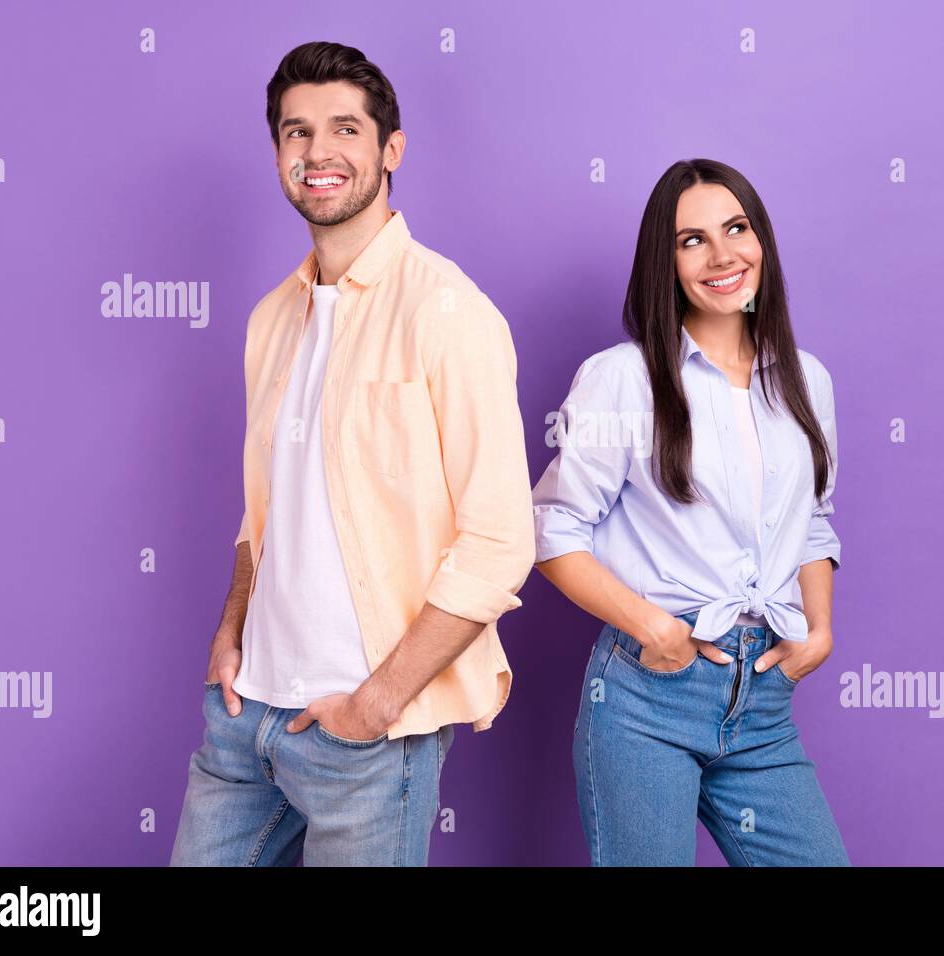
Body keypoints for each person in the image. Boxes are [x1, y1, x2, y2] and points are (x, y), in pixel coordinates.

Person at [170, 41, 535, 866]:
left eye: (344, 128)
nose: (318, 152)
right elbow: (266, 505)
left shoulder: (449, 312)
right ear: (277, 155)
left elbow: (499, 543)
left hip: (365, 733)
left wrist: (378, 705)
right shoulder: (271, 319)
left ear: (390, 150)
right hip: (243, 716)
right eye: (296, 133)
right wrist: (231, 630)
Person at [532, 158, 851, 866]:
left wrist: (820, 627)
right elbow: (552, 529)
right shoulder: (623, 379)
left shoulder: (808, 380)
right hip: (648, 698)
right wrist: (653, 626)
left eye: (736, 228)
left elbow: (813, 522)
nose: (722, 255)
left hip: (762, 702)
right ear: (666, 262)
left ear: (761, 238)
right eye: (692, 240)